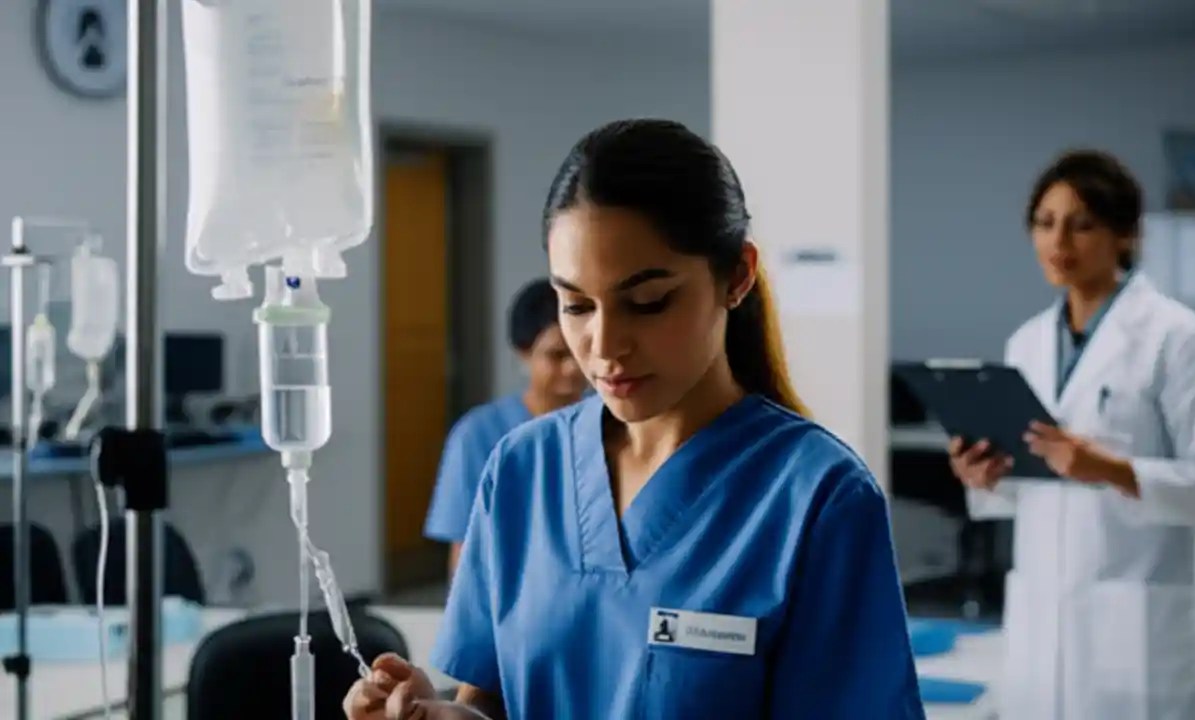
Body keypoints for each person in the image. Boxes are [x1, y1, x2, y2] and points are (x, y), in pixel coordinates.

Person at [346, 119, 925, 719]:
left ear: (736, 276)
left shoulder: (818, 497)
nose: (604, 347)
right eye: (576, 305)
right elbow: (489, 703)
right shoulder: (523, 469)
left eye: (647, 303)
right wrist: (435, 714)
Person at [949, 149, 1195, 719]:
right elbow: (1036, 488)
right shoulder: (1026, 343)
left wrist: (1111, 469)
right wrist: (986, 477)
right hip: (1045, 624)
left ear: (1125, 234)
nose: (1058, 240)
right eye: (1045, 223)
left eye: (1081, 224)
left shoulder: (1178, 339)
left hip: (1141, 633)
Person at [422, 278, 586, 574]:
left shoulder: (611, 425)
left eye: (580, 351)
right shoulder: (479, 434)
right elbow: (464, 547)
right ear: (523, 353)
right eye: (557, 355)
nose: (573, 368)